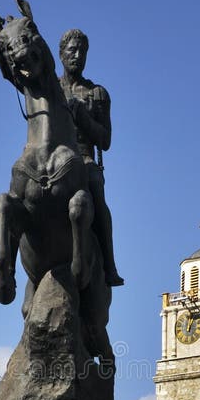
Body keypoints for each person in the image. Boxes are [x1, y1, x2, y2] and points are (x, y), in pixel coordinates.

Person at [59, 29, 124, 287]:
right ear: (61, 54)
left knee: (96, 188)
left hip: (84, 159)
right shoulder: (50, 87)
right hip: (52, 158)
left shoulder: (97, 93)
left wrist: (83, 118)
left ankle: (109, 264)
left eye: (82, 52)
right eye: (72, 50)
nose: (77, 56)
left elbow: (105, 141)